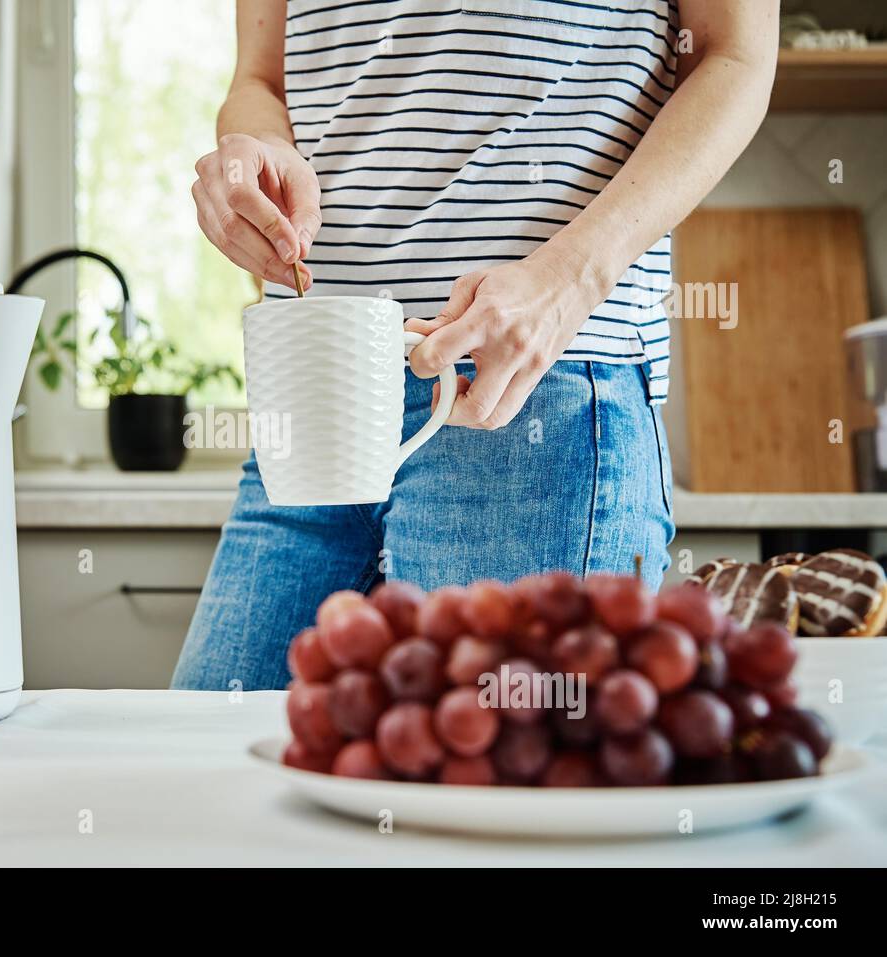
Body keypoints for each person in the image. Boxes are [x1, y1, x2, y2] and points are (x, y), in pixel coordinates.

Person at [173, 0, 777, 691]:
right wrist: (260, 152)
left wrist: (569, 281)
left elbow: (734, 56)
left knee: (494, 773)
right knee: (218, 772)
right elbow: (261, 80)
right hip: (317, 392)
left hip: (528, 386)